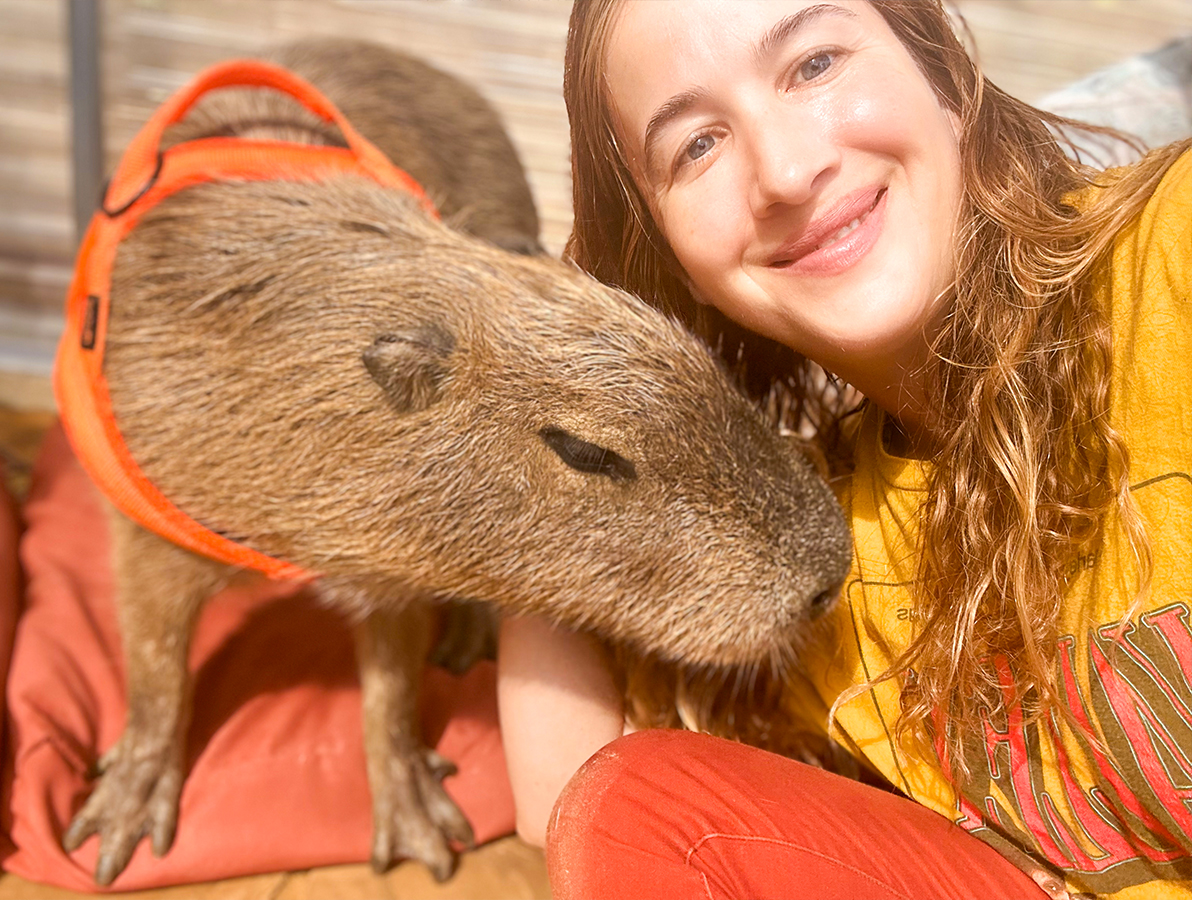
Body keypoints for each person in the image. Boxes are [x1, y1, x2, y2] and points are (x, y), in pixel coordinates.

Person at [496, 1, 1192, 898]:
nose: (785, 171)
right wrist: (551, 411)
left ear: (941, 75)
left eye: (815, 64)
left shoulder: (1171, 260)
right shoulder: (817, 557)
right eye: (696, 146)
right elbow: (585, 805)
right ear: (667, 257)